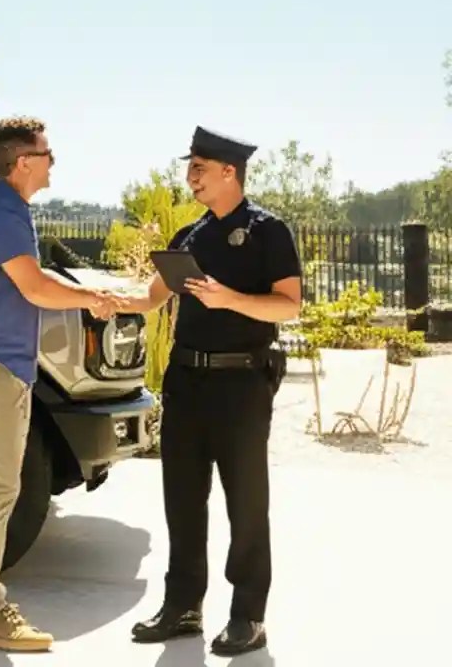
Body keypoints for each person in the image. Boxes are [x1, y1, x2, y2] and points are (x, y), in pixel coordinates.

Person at [0, 116, 126, 652]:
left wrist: (86, 292)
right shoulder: (4, 216)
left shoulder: (1, 213)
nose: (52, 161)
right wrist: (93, 299)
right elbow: (36, 288)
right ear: (22, 163)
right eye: (47, 153)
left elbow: (33, 284)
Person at [120, 126, 302, 656]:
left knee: (245, 503)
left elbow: (289, 305)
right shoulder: (188, 237)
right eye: (189, 167)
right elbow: (153, 298)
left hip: (241, 382)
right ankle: (182, 606)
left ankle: (248, 615)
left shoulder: (269, 231)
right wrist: (104, 299)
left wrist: (230, 300)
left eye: (199, 167)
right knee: (182, 498)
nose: (190, 176)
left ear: (230, 172)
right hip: (186, 381)